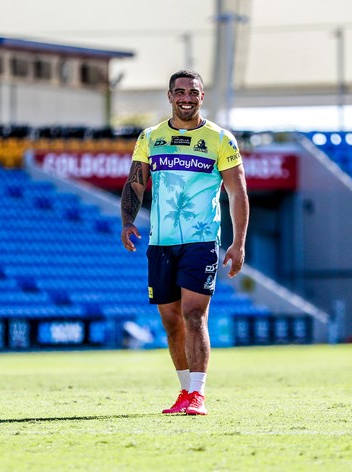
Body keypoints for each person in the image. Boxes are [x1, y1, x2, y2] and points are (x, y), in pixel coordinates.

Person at [120, 70, 249, 415]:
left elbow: (237, 192)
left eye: (192, 92)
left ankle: (198, 394)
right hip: (160, 244)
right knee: (171, 320)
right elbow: (135, 183)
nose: (186, 98)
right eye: (179, 92)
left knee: (194, 314)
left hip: (201, 241)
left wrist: (238, 242)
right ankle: (184, 392)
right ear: (169, 96)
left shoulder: (221, 139)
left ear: (201, 97)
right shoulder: (150, 137)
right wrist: (127, 221)